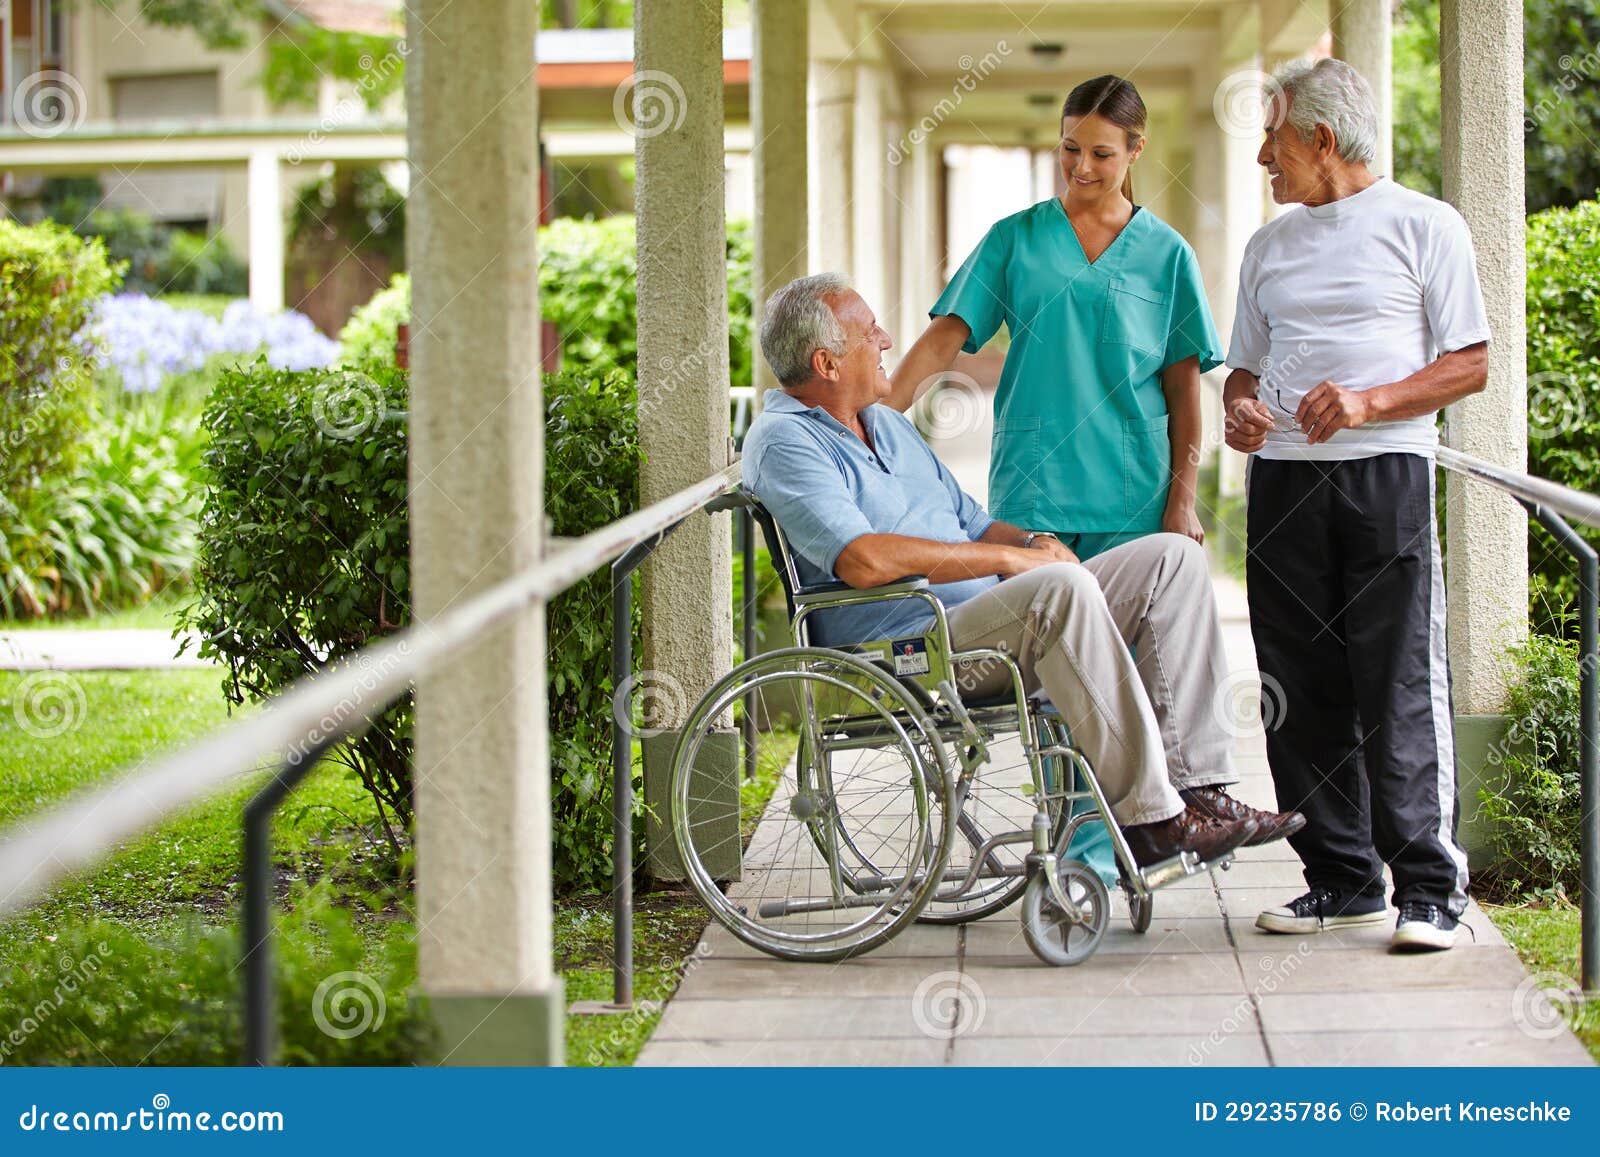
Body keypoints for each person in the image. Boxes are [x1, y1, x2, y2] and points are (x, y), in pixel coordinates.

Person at [744, 272, 1305, 871]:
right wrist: (1015, 562)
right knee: (1054, 588)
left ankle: (1197, 791)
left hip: (988, 624)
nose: (885, 340)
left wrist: (1034, 541)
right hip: (908, 649)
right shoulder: (786, 442)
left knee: (1173, 558)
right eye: (868, 333)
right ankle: (1153, 822)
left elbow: (975, 524)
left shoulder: (887, 425)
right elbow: (862, 559)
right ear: (827, 363)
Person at [1223, 59, 1489, 952]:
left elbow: (1470, 362)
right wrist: (1242, 409)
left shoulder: (1426, 225)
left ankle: (1428, 888)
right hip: (1285, 483)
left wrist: (1371, 401)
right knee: (1296, 685)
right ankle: (1341, 879)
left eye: (1274, 136)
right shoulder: (1269, 247)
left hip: (1386, 475)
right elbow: (1245, 370)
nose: (1265, 154)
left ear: (1321, 140)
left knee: (1397, 676)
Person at [889, 74, 1221, 561]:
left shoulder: (1168, 254)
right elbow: (945, 338)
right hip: (1034, 488)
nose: (1081, 167)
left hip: (1134, 496)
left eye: (1102, 154)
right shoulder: (1013, 239)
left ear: (1135, 150)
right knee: (1034, 632)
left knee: (1122, 637)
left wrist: (1183, 501)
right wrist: (870, 422)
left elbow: (1184, 390)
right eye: (1070, 148)